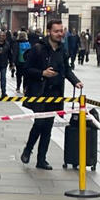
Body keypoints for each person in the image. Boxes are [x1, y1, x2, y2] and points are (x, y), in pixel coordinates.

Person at [20, 18, 82, 170]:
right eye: (56, 31)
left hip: (55, 93)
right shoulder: (38, 49)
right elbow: (26, 70)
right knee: (39, 123)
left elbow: (66, 70)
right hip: (40, 92)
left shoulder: (62, 50)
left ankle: (42, 159)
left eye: (61, 31)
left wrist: (75, 81)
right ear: (49, 32)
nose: (60, 34)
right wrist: (42, 73)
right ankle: (28, 149)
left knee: (48, 126)